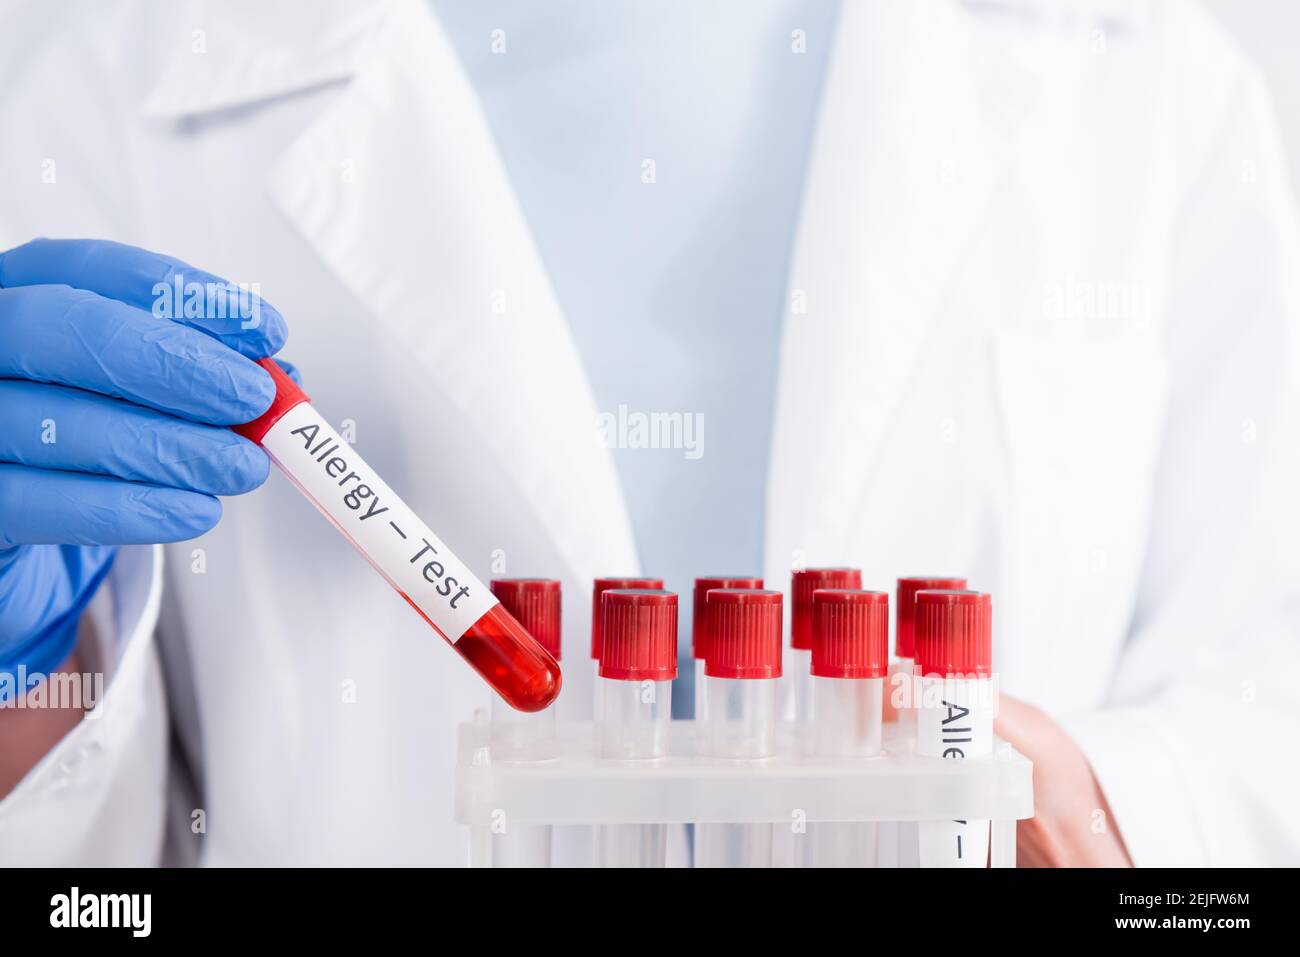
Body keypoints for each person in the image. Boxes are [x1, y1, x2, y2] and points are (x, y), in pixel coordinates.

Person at [2, 0, 1298, 867]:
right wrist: (28, 668)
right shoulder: (100, 96)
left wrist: (1101, 814)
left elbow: (1267, 727)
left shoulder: (1149, 84)